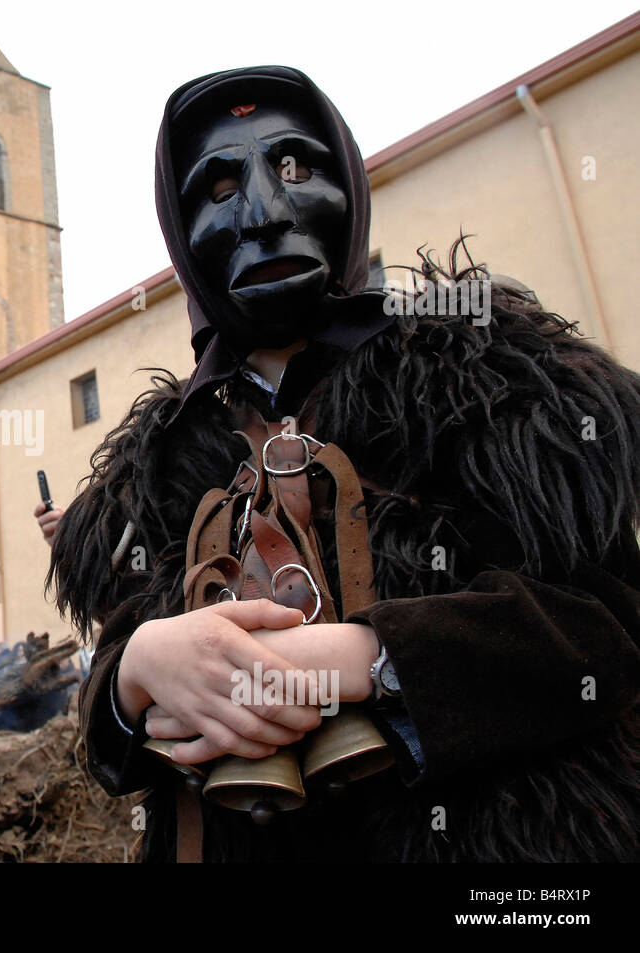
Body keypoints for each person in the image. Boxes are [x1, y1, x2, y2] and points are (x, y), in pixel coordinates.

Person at [49, 66, 640, 862]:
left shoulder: (489, 384)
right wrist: (135, 676)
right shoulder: (156, 468)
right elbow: (110, 720)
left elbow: (607, 632)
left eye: (297, 168)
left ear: (351, 193)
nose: (263, 211)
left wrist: (378, 661)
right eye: (218, 189)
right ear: (182, 235)